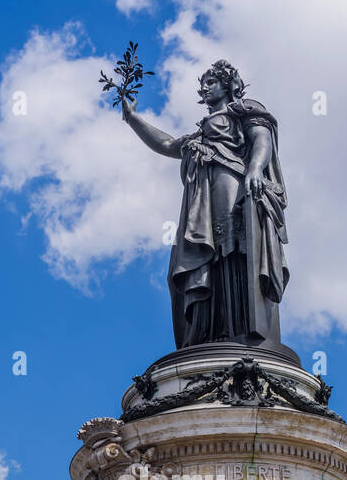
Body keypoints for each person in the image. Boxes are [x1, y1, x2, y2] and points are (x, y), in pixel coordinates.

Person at [121, 60, 289, 350]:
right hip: (200, 200)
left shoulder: (244, 110)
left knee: (231, 248)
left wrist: (255, 170)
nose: (205, 86)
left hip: (230, 184)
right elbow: (167, 144)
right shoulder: (198, 135)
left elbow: (262, 139)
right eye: (204, 82)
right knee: (203, 255)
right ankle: (209, 332)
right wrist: (133, 118)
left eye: (212, 81)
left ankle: (240, 326)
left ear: (229, 84)